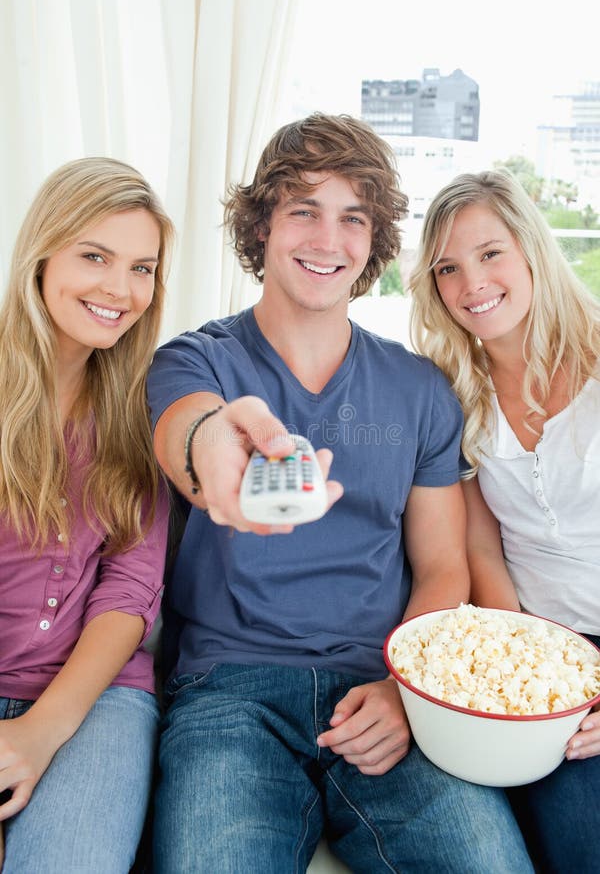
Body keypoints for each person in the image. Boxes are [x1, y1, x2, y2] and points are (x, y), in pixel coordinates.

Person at [147, 114, 533, 874]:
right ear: (260, 227)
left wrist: (401, 689)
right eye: (303, 211)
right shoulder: (196, 361)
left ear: (375, 241)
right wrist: (216, 459)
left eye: (352, 218)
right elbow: (190, 436)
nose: (328, 240)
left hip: (385, 692)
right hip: (230, 694)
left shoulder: (422, 390)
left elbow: (443, 568)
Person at [410, 168, 600, 873]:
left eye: (490, 254)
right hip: (539, 654)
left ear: (530, 250)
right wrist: (520, 670)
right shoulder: (454, 388)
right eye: (448, 268)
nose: (471, 284)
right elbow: (482, 542)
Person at [0, 157, 174, 873]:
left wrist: (41, 731)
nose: (120, 289)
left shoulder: (144, 405)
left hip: (97, 694)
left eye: (142, 267)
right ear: (42, 253)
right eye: (95, 256)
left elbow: (131, 591)